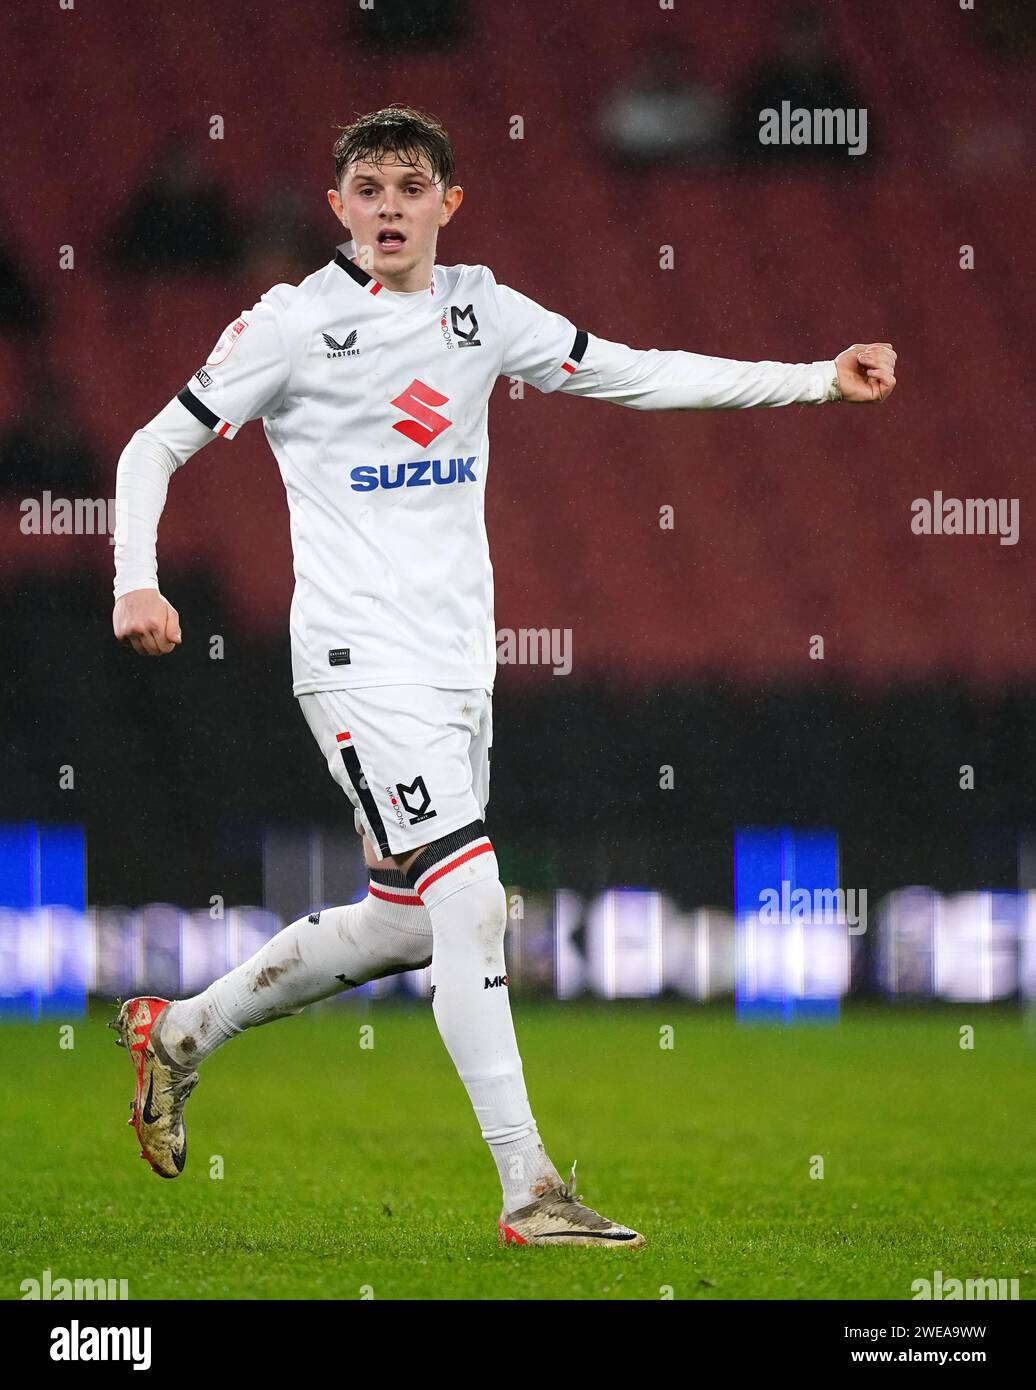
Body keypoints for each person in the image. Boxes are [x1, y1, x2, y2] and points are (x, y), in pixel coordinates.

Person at [109, 104, 897, 1249]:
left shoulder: (482, 310)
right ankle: (530, 1186)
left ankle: (179, 1032)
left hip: (455, 670)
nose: (388, 207)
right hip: (352, 659)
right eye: (366, 188)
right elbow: (151, 445)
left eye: (409, 187)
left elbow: (634, 373)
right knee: (472, 895)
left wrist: (817, 378)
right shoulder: (289, 324)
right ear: (336, 208)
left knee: (407, 920)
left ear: (447, 203)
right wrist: (138, 579)